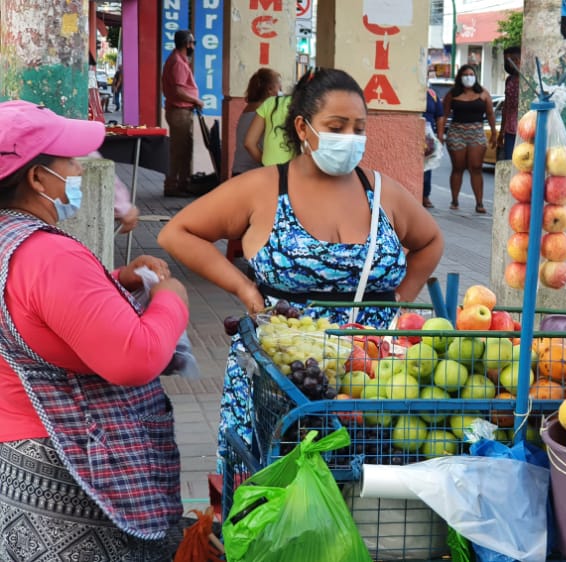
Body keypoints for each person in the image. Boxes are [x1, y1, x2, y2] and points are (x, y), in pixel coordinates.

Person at [157, 68, 444, 472]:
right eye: (336, 126)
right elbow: (178, 233)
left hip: (371, 380)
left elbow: (431, 241)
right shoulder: (263, 188)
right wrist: (244, 289)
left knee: (365, 502)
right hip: (283, 381)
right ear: (303, 127)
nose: (349, 137)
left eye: (358, 127)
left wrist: (400, 298)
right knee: (277, 500)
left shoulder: (381, 191)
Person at [0, 100, 189, 560]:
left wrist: (115, 282)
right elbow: (135, 357)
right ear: (38, 178)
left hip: (16, 452)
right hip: (64, 465)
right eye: (69, 161)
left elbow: (39, 317)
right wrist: (171, 300)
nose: (80, 170)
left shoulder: (11, 240)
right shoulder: (48, 256)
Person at [439, 65, 496, 213]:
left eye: (471, 74)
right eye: (465, 74)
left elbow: (490, 114)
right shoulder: (452, 94)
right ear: (460, 77)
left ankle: (479, 203)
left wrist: (495, 134)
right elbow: (444, 115)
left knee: (476, 167)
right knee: (458, 167)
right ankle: (455, 200)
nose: (469, 77)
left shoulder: (483, 93)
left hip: (476, 131)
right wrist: (440, 135)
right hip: (456, 131)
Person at [161, 29, 204, 197]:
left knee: (184, 149)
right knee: (179, 151)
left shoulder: (178, 60)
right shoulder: (178, 63)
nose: (193, 46)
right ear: (187, 44)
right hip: (179, 111)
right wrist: (196, 100)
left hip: (181, 111)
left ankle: (182, 183)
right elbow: (179, 90)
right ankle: (174, 185)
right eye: (193, 43)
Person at [233, 68, 281, 177]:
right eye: (280, 88)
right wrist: (267, 165)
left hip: (240, 173)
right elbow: (249, 144)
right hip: (251, 175)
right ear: (270, 89)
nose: (280, 94)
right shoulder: (264, 111)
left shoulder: (249, 108)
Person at [243, 90, 294, 167]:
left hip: (269, 171)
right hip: (297, 172)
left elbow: (249, 143)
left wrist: (265, 162)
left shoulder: (270, 103)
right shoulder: (310, 106)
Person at [422, 86, 444, 208]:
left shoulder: (431, 94)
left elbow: (440, 116)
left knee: (427, 165)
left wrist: (440, 136)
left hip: (428, 135)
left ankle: (425, 195)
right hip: (412, 132)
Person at [501, 46, 521, 160]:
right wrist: (501, 132)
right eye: (507, 61)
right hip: (510, 131)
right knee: (509, 162)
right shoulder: (510, 80)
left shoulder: (530, 79)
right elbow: (506, 107)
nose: (511, 64)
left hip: (527, 130)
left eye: (514, 59)